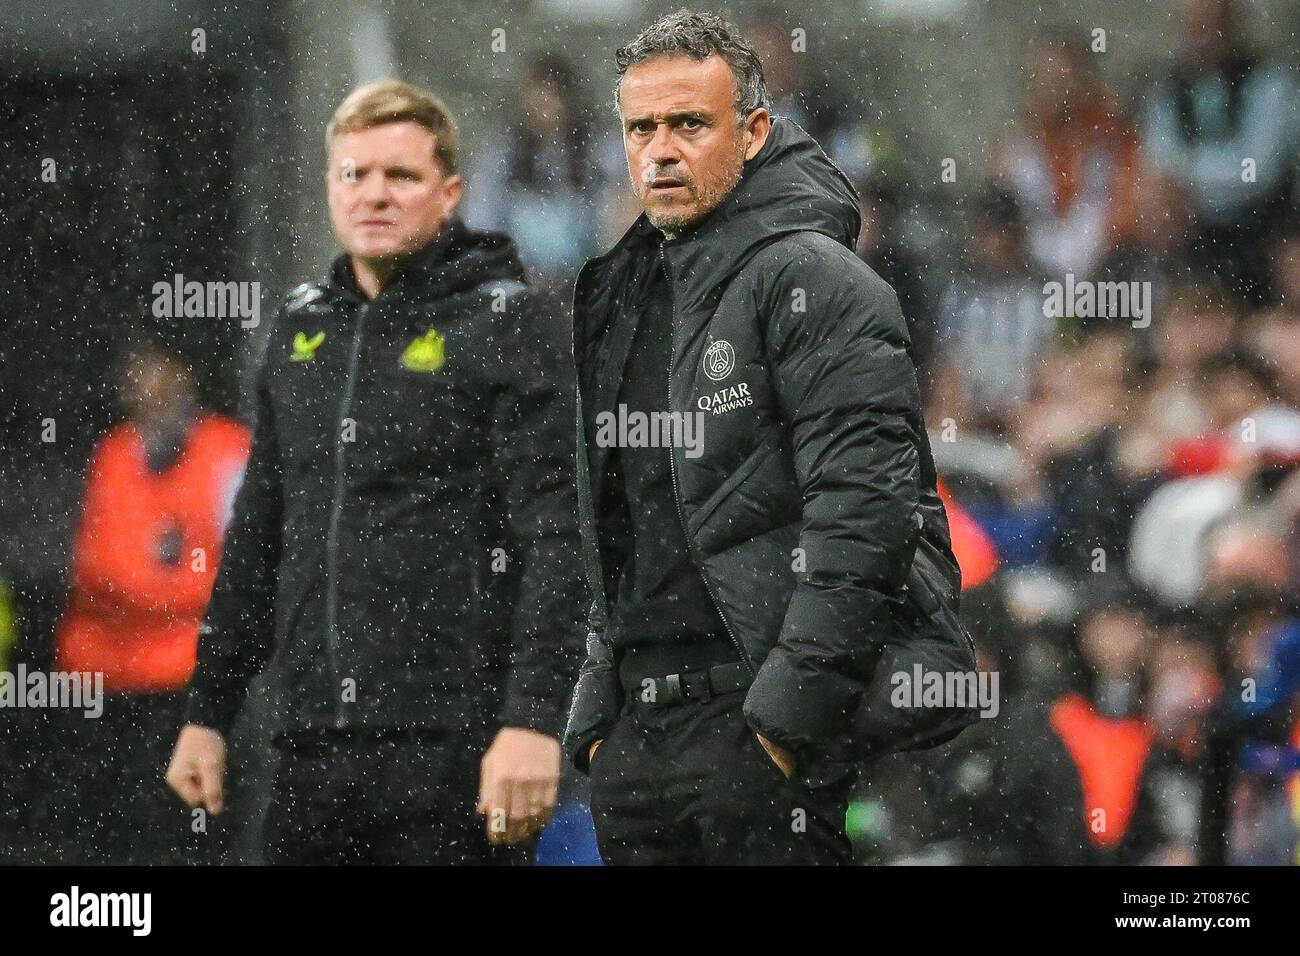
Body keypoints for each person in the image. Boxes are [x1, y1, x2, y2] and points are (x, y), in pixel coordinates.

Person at [563, 10, 969, 865]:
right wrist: (598, 724)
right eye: (641, 127)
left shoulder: (816, 279)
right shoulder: (617, 296)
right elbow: (620, 527)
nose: (661, 150)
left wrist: (783, 726)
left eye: (689, 124)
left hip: (756, 731)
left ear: (752, 134)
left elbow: (867, 519)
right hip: (638, 746)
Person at [165, 80, 585, 865]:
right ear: (329, 187)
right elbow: (259, 534)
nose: (375, 195)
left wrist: (532, 721)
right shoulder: (300, 329)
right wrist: (209, 711)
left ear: (451, 192)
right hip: (310, 746)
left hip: (455, 746)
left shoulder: (507, 323)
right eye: (354, 175)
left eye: (402, 176)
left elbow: (561, 537)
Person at [46, 339, 249, 864]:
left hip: (185, 685)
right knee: (103, 837)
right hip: (103, 679)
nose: (139, 384)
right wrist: (152, 584)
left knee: (184, 832)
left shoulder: (227, 451)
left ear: (185, 375)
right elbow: (92, 566)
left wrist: (146, 587)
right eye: (134, 371)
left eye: (154, 369)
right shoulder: (115, 451)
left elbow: (241, 575)